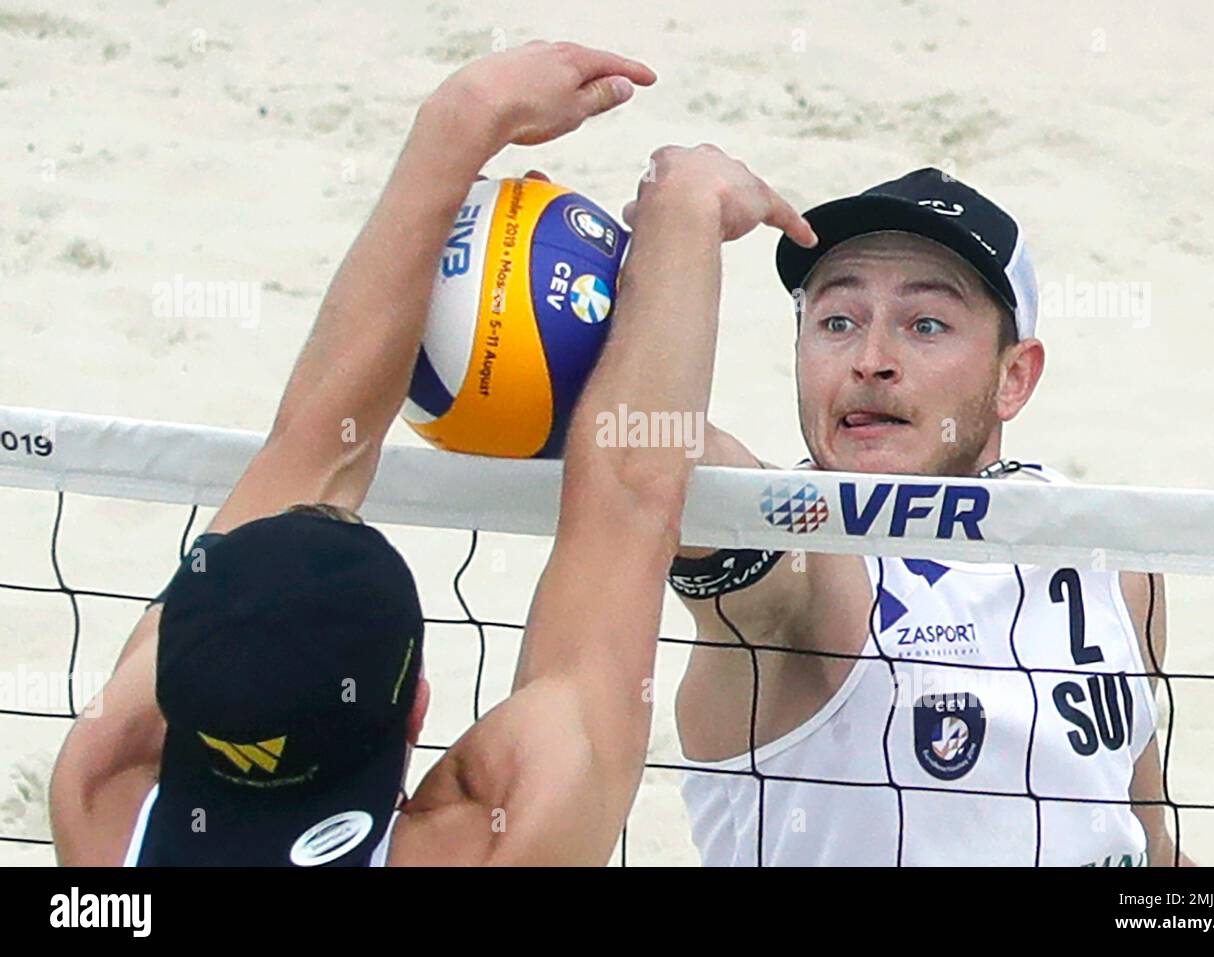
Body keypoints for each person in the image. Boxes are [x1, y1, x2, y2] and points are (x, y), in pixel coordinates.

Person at [49, 41, 814, 867]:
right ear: (418, 709)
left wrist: (463, 122)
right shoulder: (493, 845)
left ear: (172, 691)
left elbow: (314, 449)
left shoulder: (102, 802)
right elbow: (627, 493)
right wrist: (681, 206)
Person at [630, 159, 1190, 866]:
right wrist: (683, 223)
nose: (871, 359)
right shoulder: (797, 556)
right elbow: (647, 441)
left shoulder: (1112, 561)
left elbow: (1149, 846)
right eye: (837, 320)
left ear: (1013, 375)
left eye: (925, 323)